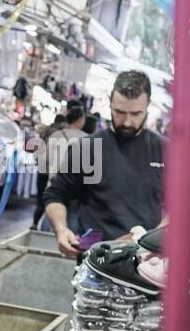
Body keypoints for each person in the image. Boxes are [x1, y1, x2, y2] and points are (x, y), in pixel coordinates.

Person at [44, 70, 165, 257]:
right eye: (120, 112)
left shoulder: (166, 151)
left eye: (136, 113)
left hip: (147, 262)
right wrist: (61, 229)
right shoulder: (88, 148)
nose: (127, 121)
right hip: (94, 260)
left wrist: (151, 241)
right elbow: (55, 194)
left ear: (148, 106)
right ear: (110, 103)